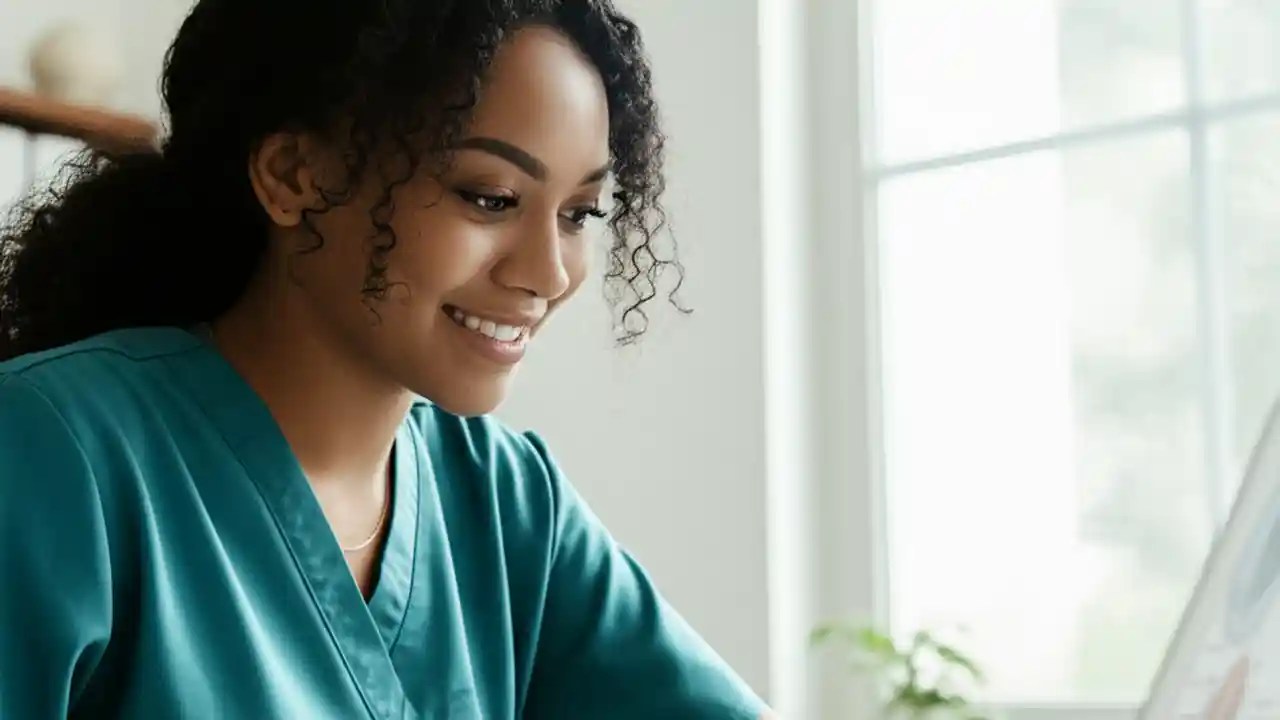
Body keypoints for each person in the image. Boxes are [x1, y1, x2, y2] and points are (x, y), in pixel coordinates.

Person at [0, 1, 775, 718]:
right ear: (295, 177)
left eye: (577, 214)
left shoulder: (505, 500)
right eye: (491, 196)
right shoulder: (49, 450)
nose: (550, 272)